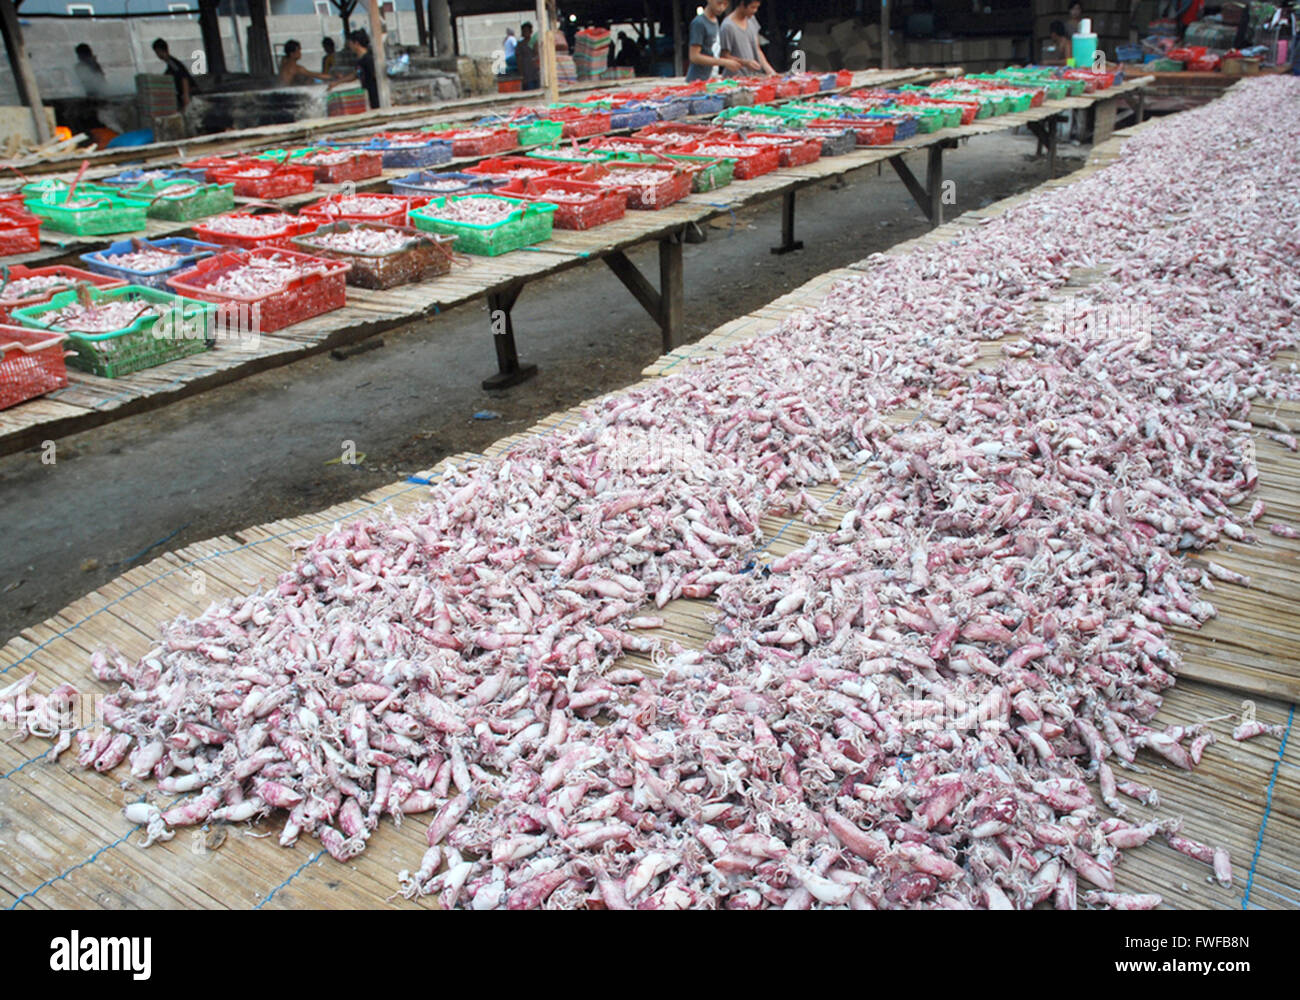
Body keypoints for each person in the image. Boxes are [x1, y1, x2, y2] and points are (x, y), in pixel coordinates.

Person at [685, 0, 745, 82]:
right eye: (719, 3)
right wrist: (723, 62)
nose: (722, 7)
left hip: (710, 78)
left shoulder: (714, 20)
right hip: (697, 80)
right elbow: (694, 56)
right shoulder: (699, 23)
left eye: (725, 4)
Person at [720, 0, 776, 78]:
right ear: (742, 4)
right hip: (734, 79)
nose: (755, 10)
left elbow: (757, 48)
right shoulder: (727, 26)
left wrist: (770, 71)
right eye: (752, 7)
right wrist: (745, 63)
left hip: (752, 77)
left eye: (757, 7)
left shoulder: (752, 20)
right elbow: (724, 56)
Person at [336, 29, 380, 108]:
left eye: (350, 43)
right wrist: (338, 82)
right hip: (368, 96)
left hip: (376, 97)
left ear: (356, 43)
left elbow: (377, 76)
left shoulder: (369, 59)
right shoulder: (360, 60)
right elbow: (355, 74)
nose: (349, 46)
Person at [152, 38, 196, 111]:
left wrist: (186, 96)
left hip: (190, 94)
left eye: (157, 52)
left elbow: (184, 77)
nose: (157, 55)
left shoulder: (172, 63)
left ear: (160, 50)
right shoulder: (170, 65)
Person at [517, 21, 540, 90]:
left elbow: (537, 55)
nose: (525, 32)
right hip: (526, 74)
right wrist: (521, 75)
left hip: (536, 73)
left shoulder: (535, 42)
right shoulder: (520, 45)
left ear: (531, 31)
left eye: (527, 30)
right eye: (524, 31)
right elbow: (519, 60)